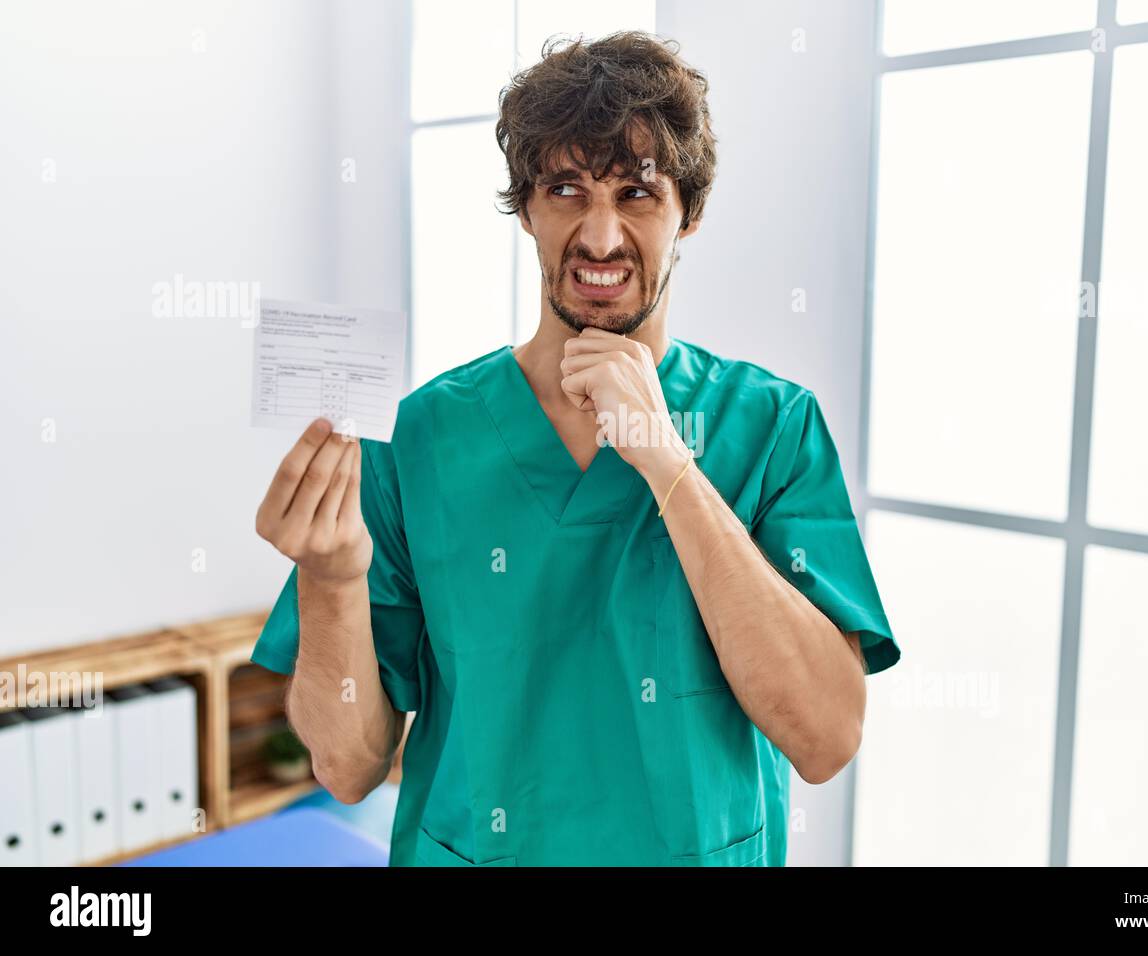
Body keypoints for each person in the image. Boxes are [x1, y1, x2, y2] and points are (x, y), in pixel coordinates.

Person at [250, 30, 899, 866]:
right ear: (526, 207)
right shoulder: (418, 437)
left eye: (637, 192)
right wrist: (333, 578)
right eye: (565, 189)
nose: (599, 237)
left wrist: (668, 464)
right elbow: (346, 767)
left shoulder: (773, 428)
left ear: (688, 213)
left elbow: (826, 737)